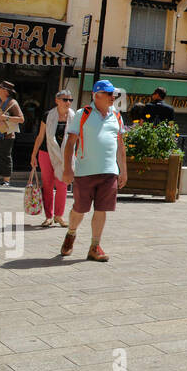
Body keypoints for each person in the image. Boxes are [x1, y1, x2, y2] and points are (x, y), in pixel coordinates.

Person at [60, 80, 127, 261]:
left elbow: (121, 146)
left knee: (101, 209)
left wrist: (123, 170)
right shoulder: (83, 114)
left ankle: (94, 246)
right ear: (97, 95)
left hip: (109, 172)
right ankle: (71, 233)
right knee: (79, 210)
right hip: (84, 172)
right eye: (109, 94)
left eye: (113, 94)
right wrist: (68, 168)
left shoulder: (117, 116)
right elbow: (70, 144)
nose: (113, 97)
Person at [29, 89, 74, 228]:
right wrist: (33, 155)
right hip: (46, 152)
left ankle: (59, 216)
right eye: (65, 99)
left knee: (62, 184)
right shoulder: (48, 115)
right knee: (47, 185)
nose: (68, 102)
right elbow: (40, 136)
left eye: (70, 100)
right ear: (57, 100)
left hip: (64, 155)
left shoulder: (74, 117)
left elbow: (77, 138)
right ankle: (49, 216)